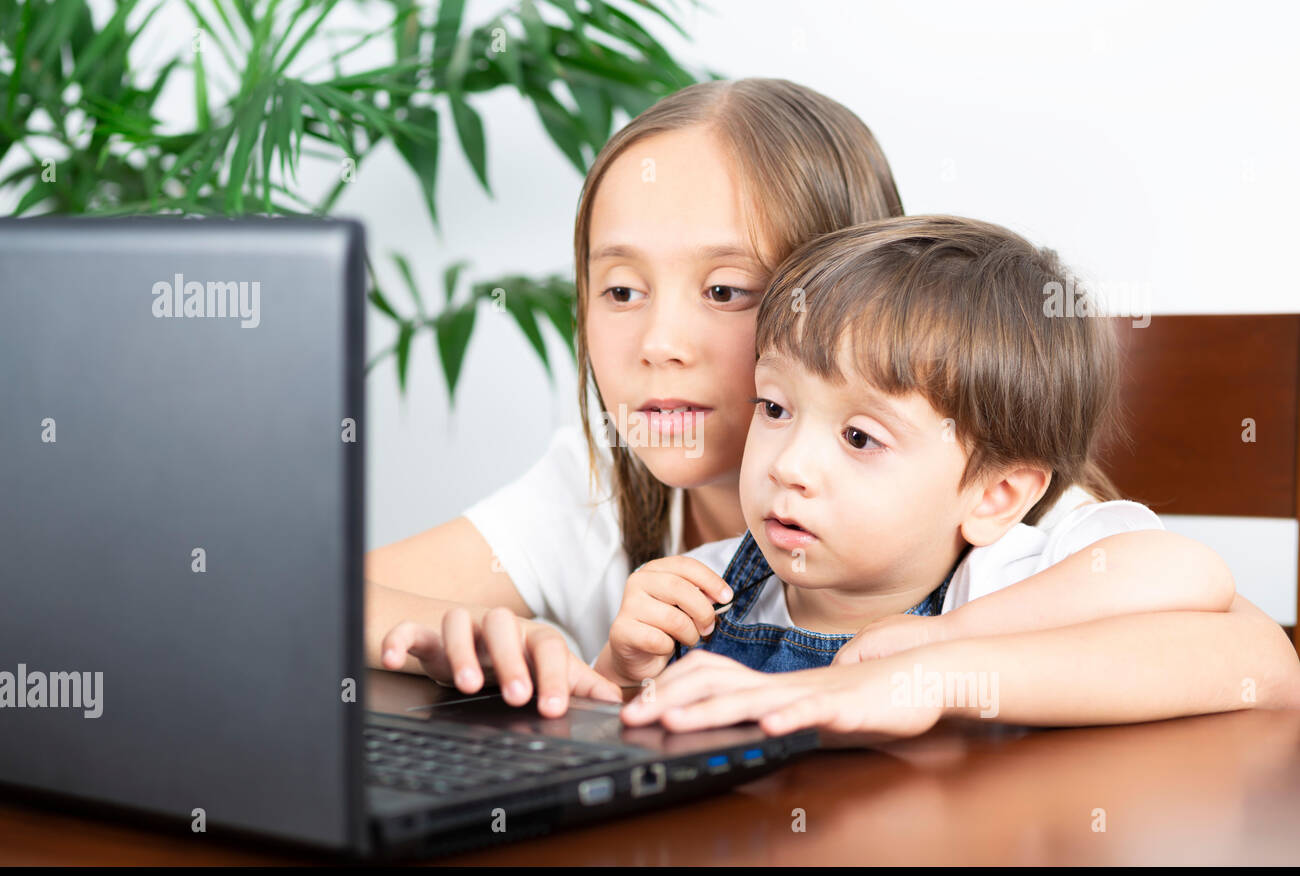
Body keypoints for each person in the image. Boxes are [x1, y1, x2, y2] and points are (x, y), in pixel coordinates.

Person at [366, 80, 1291, 723]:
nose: (658, 343)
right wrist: (454, 643)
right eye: (619, 290)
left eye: (726, 291)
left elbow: (1257, 661)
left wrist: (925, 670)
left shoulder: (987, 515)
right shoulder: (598, 477)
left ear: (846, 293)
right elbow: (306, 596)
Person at [615, 217, 1300, 739]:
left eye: (860, 437)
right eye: (774, 407)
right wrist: (621, 672)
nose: (787, 464)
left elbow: (1190, 577)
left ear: (995, 496)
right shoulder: (715, 590)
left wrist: (942, 653)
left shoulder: (1008, 582)